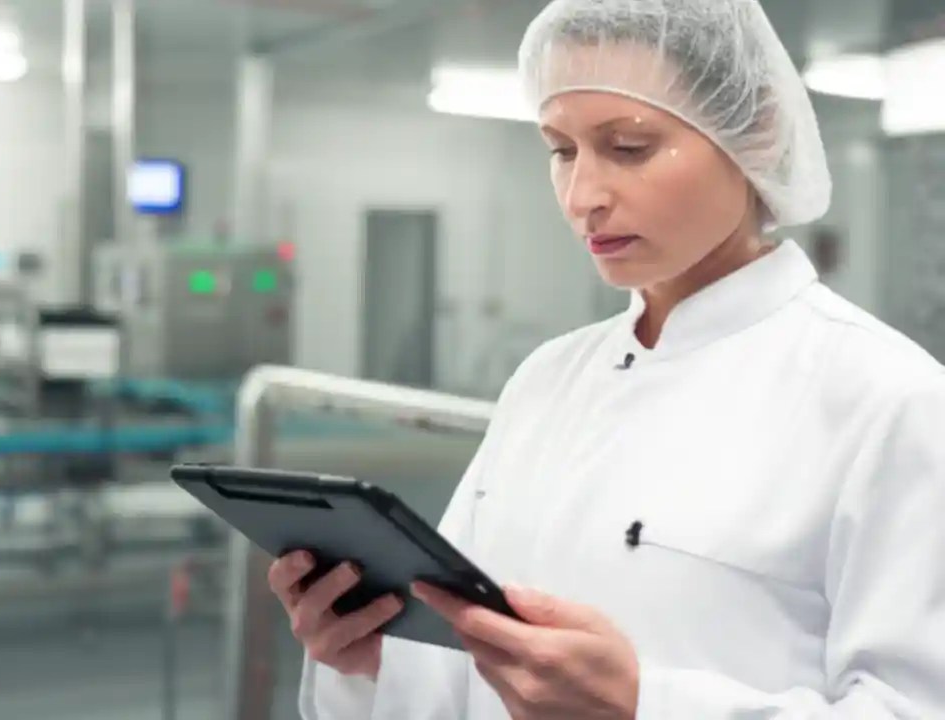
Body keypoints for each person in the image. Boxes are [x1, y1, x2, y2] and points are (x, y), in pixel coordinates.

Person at [269, 0, 945, 717]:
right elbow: (463, 661)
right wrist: (372, 662)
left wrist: (644, 705)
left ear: (756, 130)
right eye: (561, 151)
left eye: (628, 147)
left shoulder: (888, 400)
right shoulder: (546, 381)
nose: (582, 196)